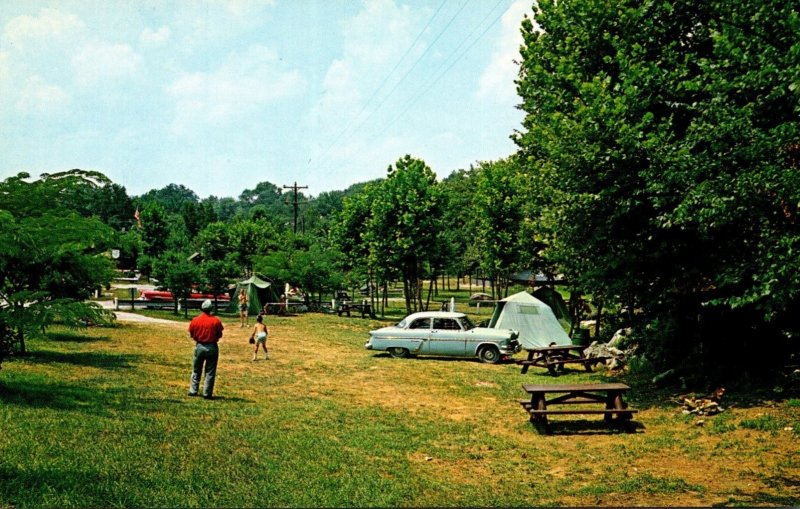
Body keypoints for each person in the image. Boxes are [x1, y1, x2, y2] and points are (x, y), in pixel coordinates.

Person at [188, 299, 224, 400]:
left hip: (199, 346)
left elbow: (192, 333)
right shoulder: (216, 321)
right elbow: (220, 334)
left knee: (196, 369)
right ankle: (207, 393)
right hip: (212, 346)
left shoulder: (195, 320)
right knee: (210, 371)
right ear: (211, 309)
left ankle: (193, 390)